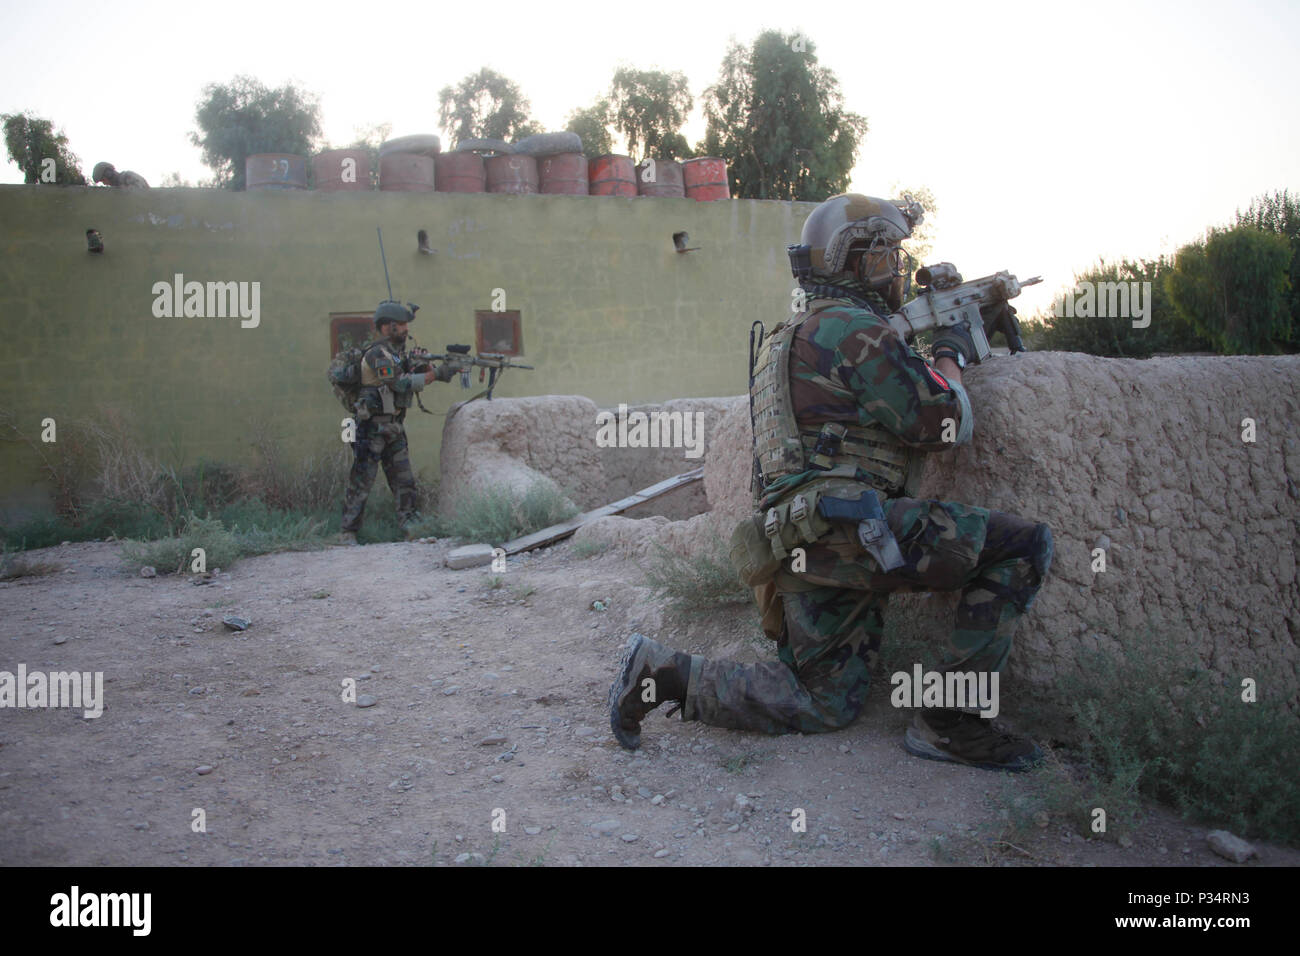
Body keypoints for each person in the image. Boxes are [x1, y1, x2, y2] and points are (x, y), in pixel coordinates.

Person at [609, 194, 1054, 772]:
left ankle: (660, 674)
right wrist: (950, 353)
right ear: (858, 260)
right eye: (887, 255)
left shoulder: (789, 336)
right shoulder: (853, 328)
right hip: (855, 532)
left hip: (803, 542)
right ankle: (952, 724)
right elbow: (944, 421)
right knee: (1022, 546)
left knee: (819, 700)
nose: (895, 268)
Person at [335, 300, 455, 544]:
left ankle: (412, 528)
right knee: (362, 481)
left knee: (404, 482)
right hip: (371, 429)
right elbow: (399, 383)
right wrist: (435, 374)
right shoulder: (377, 354)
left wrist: (428, 366)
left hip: (393, 427)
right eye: (401, 325)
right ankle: (347, 532)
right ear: (387, 327)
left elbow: (408, 375)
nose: (406, 329)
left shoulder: (397, 355)